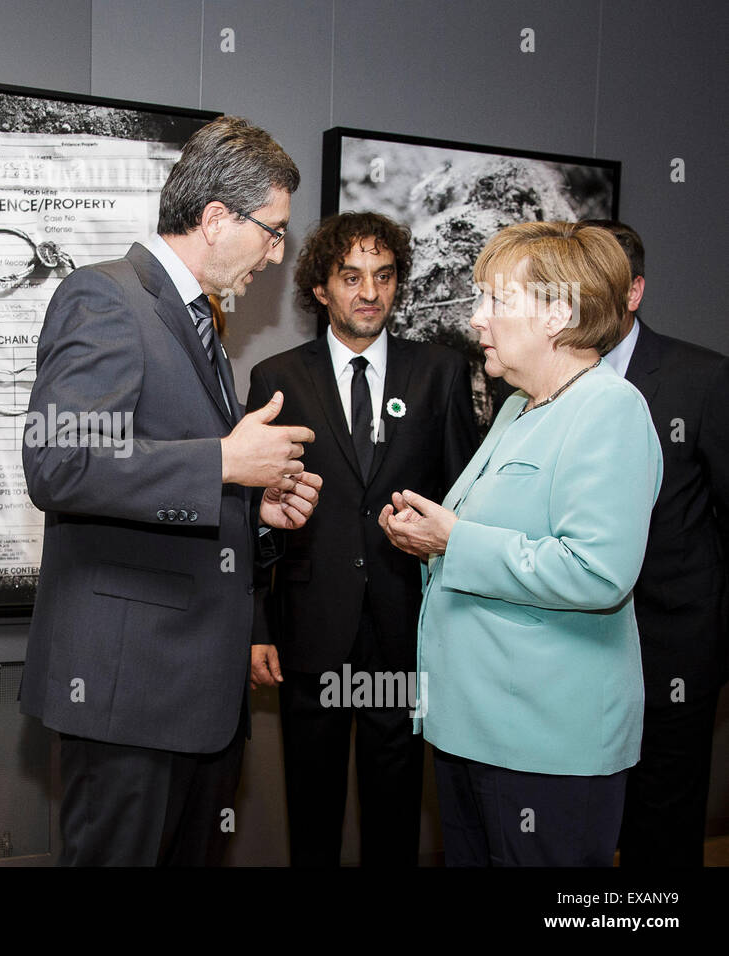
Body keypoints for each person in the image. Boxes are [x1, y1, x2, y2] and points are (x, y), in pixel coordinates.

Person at [19, 116, 321, 866]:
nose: (278, 253)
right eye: (274, 232)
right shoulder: (106, 297)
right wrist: (223, 463)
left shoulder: (199, 320)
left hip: (193, 698)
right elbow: (58, 458)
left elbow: (169, 478)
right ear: (218, 219)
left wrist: (257, 504)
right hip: (129, 696)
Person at [379, 221, 662, 866]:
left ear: (559, 313)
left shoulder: (609, 409)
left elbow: (597, 572)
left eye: (494, 300)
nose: (476, 319)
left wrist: (454, 541)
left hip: (546, 743)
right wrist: (428, 536)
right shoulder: (519, 407)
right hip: (474, 729)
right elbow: (495, 537)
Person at [248, 212, 479, 866]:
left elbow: (464, 502)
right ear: (322, 289)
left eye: (382, 276)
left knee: (397, 807)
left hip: (405, 629)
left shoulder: (439, 373)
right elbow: (253, 515)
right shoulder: (276, 380)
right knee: (312, 808)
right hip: (309, 629)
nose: (369, 292)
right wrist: (259, 625)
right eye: (351, 277)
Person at [579, 220, 729, 867]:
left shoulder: (703, 379)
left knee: (663, 826)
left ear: (633, 290)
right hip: (579, 649)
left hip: (675, 650)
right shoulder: (542, 384)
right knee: (579, 822)